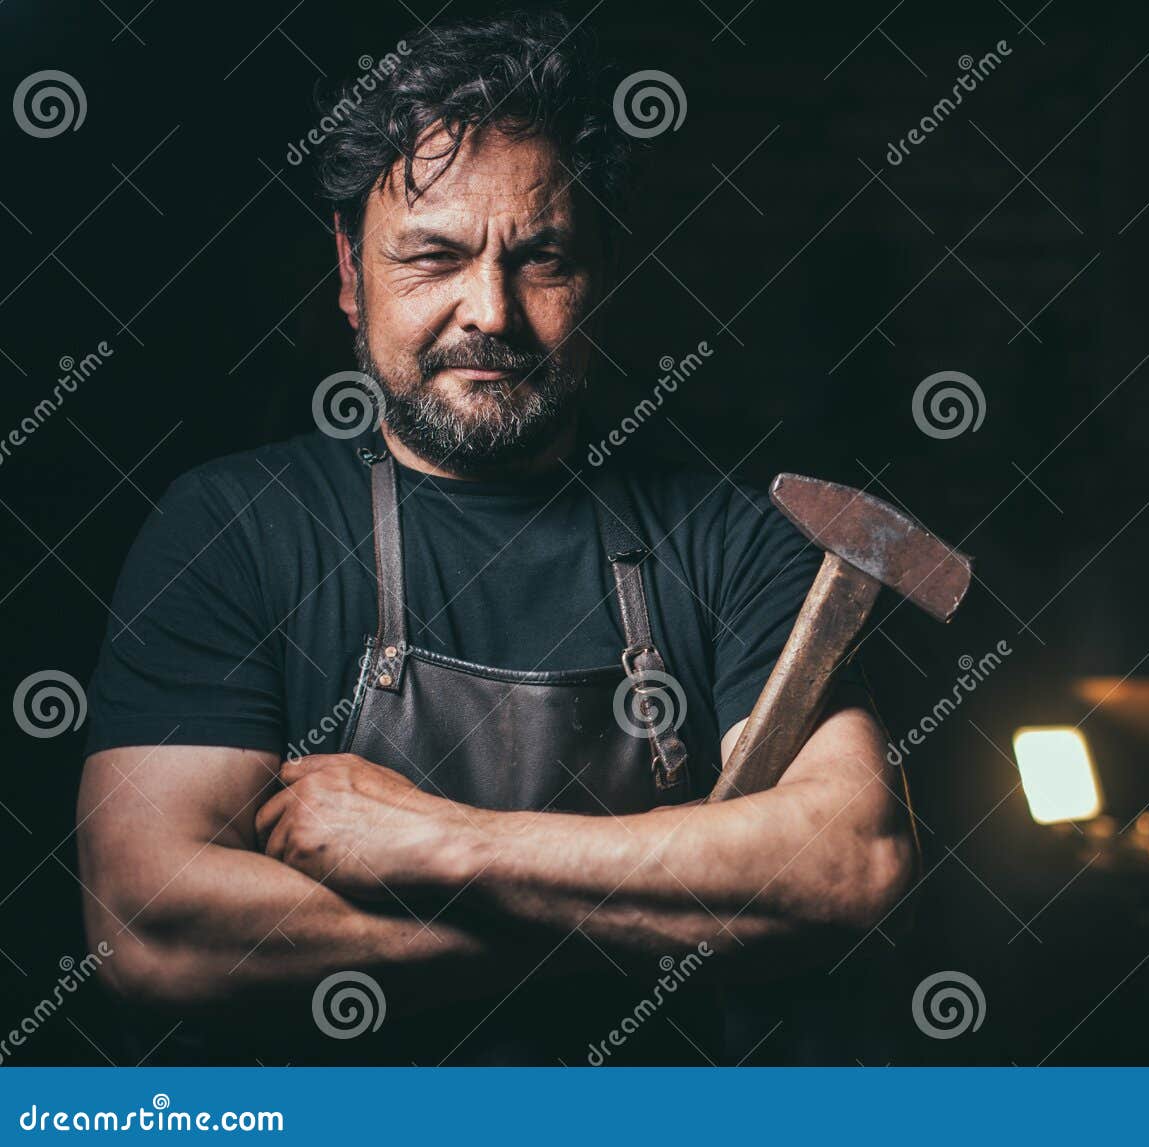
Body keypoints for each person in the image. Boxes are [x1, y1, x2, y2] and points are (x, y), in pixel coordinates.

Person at [75, 8, 915, 1065]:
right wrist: (662, 914)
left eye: (542, 258)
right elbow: (152, 923)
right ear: (348, 272)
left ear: (599, 271)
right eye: (431, 255)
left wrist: (433, 840)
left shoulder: (736, 540)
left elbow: (846, 864)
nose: (492, 312)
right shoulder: (233, 529)